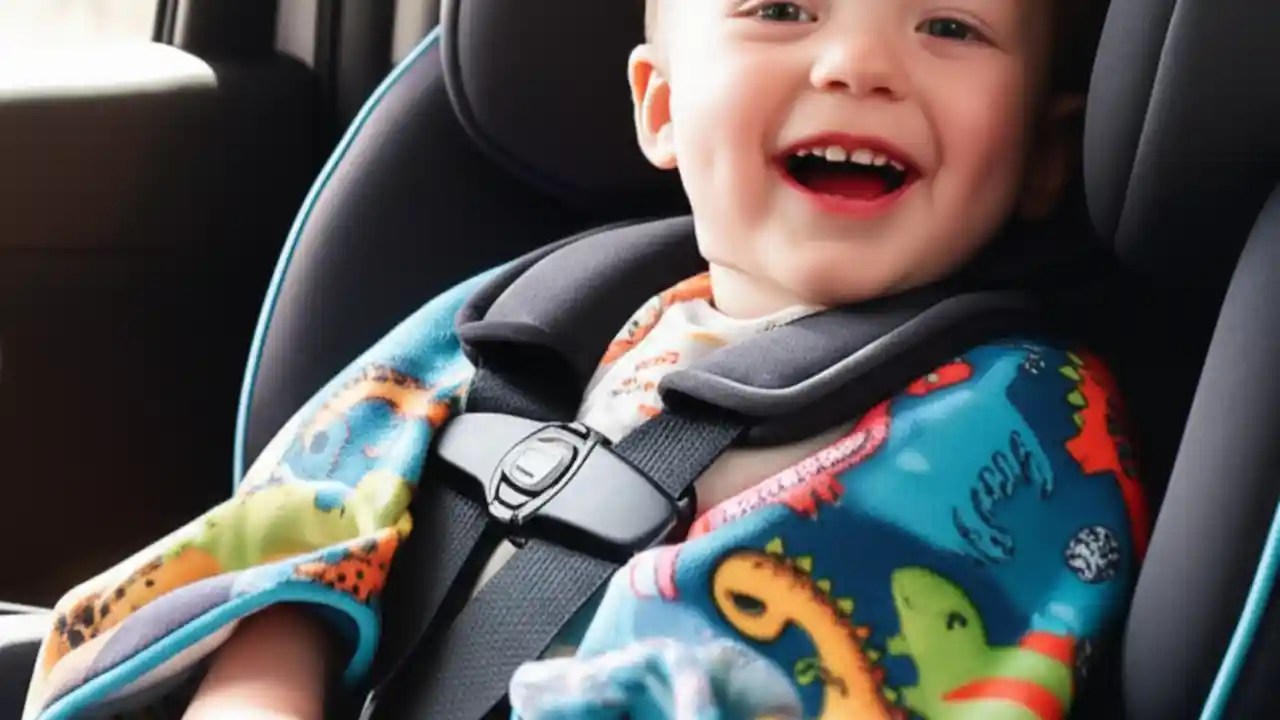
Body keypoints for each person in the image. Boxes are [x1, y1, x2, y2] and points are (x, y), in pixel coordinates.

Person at [22, 0, 1147, 718]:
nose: (857, 62)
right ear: (659, 107)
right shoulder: (540, 317)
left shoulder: (1023, 415)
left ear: (1045, 154)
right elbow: (311, 506)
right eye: (779, 8)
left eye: (947, 26)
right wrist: (265, 676)